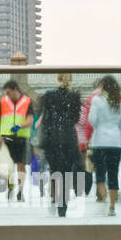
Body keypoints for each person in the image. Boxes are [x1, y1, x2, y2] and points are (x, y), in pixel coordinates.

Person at [38, 73, 84, 217]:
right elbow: (76, 118)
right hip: (68, 139)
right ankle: (62, 204)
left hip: (52, 140)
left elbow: (46, 119)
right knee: (66, 172)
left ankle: (55, 197)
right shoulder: (74, 97)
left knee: (54, 170)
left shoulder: (49, 96)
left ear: (57, 79)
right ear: (70, 80)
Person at [87, 76, 121, 216]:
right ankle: (112, 206)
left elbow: (92, 120)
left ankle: (103, 197)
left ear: (103, 86)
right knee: (113, 174)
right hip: (115, 143)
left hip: (99, 141)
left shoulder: (97, 100)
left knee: (100, 172)